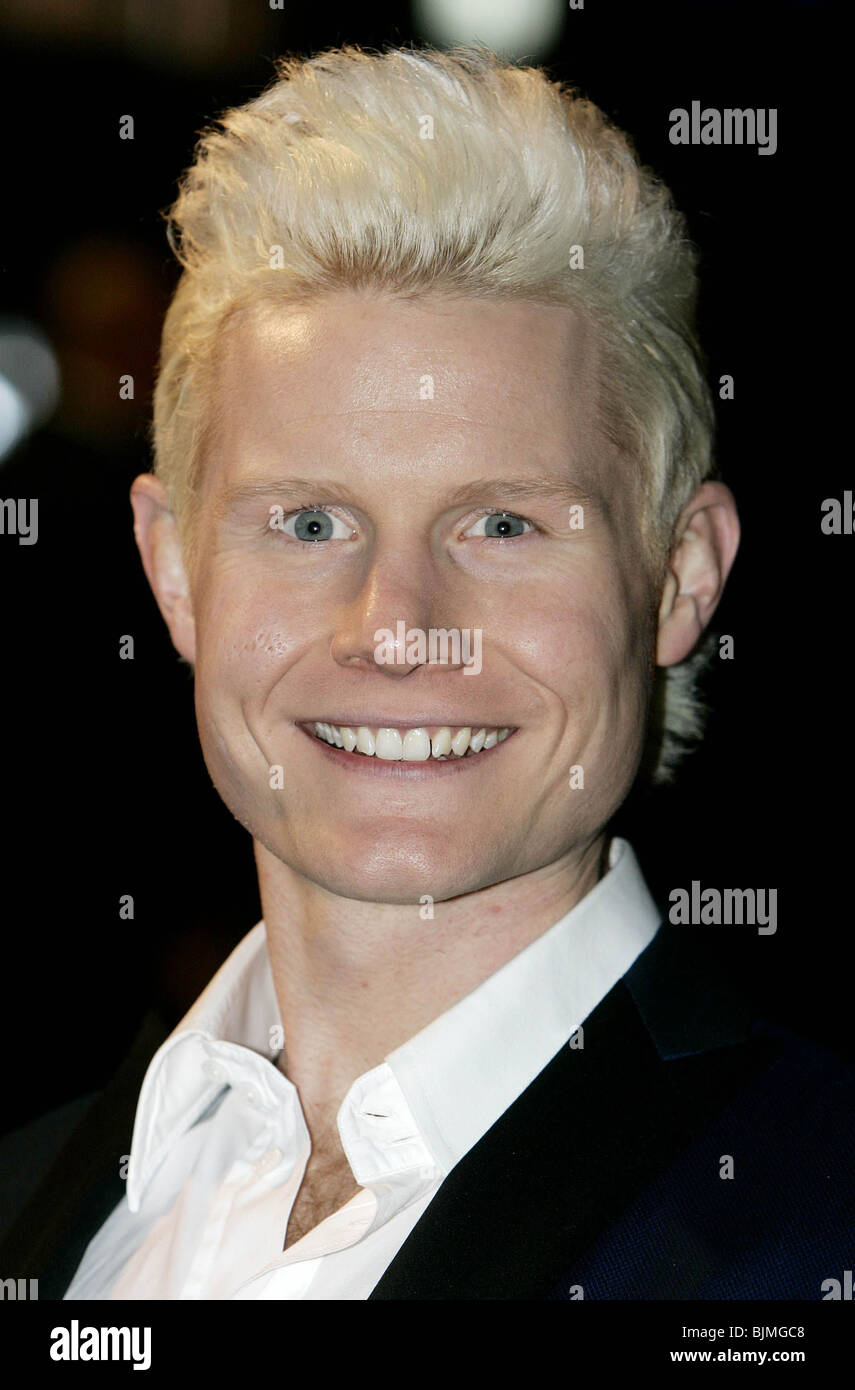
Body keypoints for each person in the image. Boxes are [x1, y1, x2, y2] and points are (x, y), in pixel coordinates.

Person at [2, 44, 851, 1301]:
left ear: (681, 576)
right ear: (173, 572)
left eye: (501, 525)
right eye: (308, 524)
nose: (396, 629)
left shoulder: (817, 1220)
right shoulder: (33, 1197)